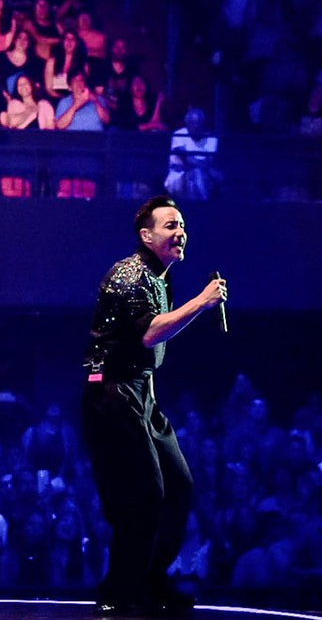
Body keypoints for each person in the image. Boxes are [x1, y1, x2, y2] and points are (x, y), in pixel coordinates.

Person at [83, 195, 227, 616]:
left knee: (178, 487)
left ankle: (150, 578)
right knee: (145, 494)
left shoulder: (159, 277)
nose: (179, 231)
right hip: (111, 392)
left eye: (181, 224)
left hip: (141, 392)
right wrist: (201, 301)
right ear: (146, 235)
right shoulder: (130, 274)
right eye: (169, 225)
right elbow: (148, 334)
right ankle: (120, 589)